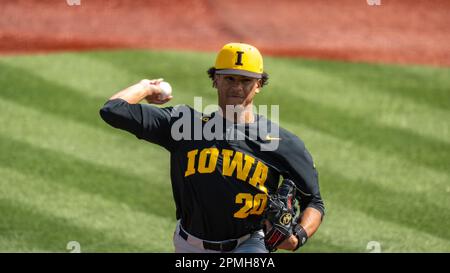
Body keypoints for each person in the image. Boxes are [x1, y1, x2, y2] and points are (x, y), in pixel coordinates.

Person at [99, 42, 324, 253]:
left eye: (246, 80)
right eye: (229, 78)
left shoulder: (282, 142)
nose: (237, 87)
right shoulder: (184, 125)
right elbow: (113, 110)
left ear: (259, 85)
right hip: (189, 244)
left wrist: (298, 237)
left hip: (249, 244)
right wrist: (146, 87)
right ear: (215, 79)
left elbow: (313, 200)